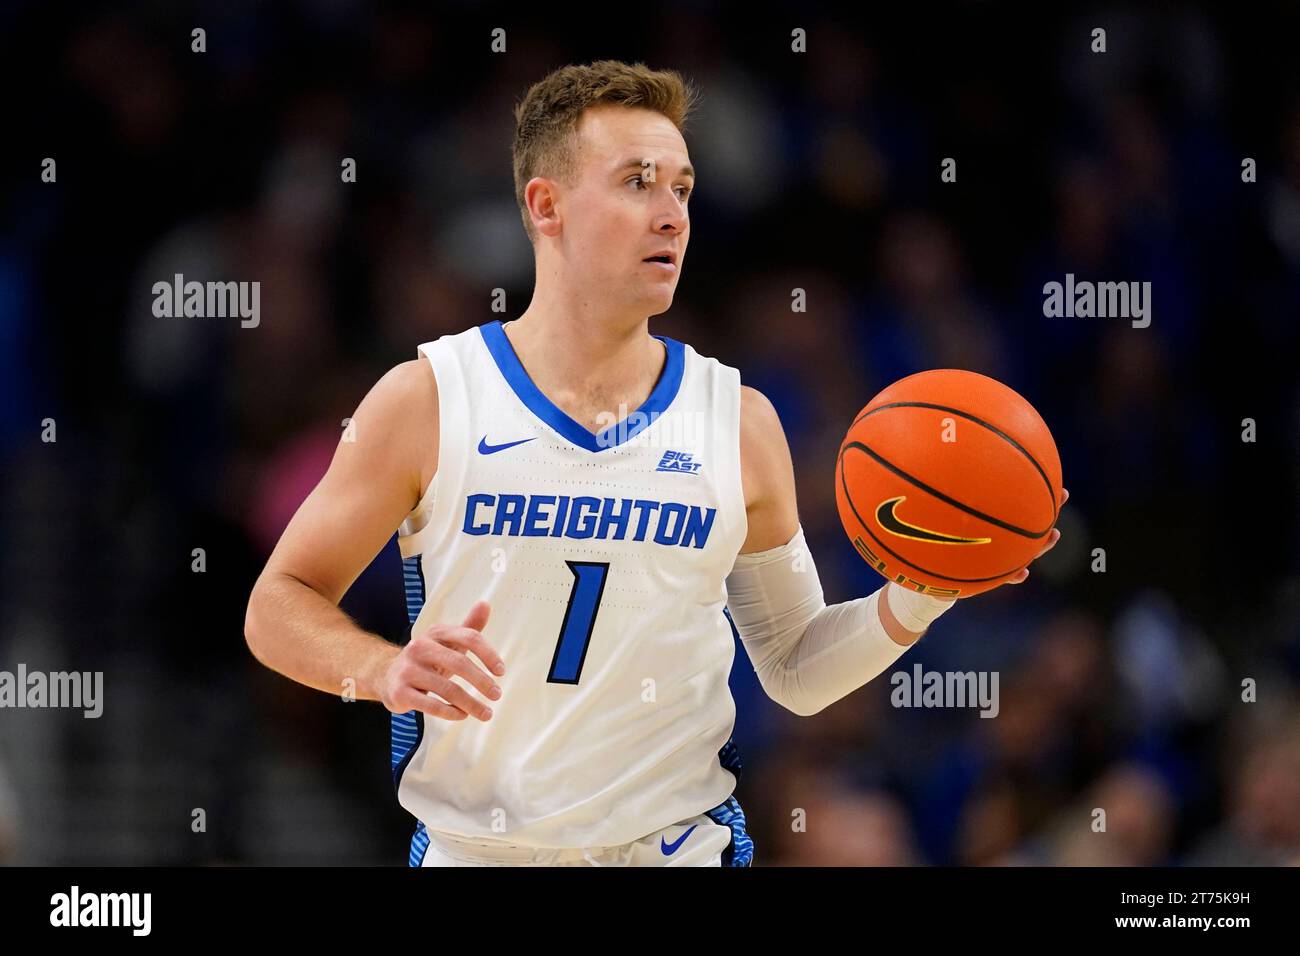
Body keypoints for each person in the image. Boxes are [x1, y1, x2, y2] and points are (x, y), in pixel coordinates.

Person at [243, 60, 1064, 867]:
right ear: (546, 205)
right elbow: (277, 604)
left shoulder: (737, 420)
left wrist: (921, 596)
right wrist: (382, 668)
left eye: (682, 188)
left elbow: (795, 668)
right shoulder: (428, 397)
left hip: (674, 850)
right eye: (638, 182)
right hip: (478, 849)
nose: (672, 214)